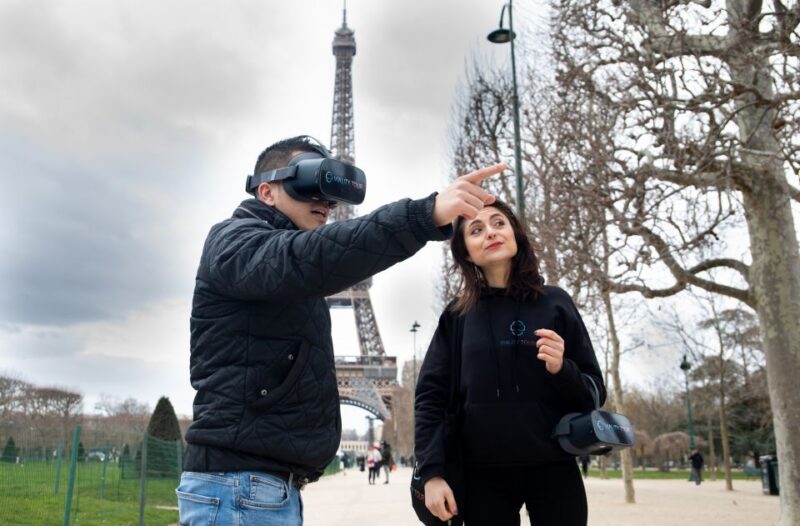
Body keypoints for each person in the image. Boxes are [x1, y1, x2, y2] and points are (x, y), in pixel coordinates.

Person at [176, 135, 506, 525]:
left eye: (331, 196)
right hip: (238, 489)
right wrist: (423, 215)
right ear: (266, 191)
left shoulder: (286, 269)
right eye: (309, 185)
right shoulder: (234, 243)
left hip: (261, 488)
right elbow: (317, 256)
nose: (325, 203)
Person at [414, 199, 606, 526]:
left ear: (515, 234)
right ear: (465, 252)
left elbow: (594, 393)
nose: (490, 232)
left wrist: (563, 369)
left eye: (498, 223)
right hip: (481, 477)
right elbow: (430, 397)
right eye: (476, 229)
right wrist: (431, 473)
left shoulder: (556, 303)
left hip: (555, 467)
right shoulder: (457, 316)